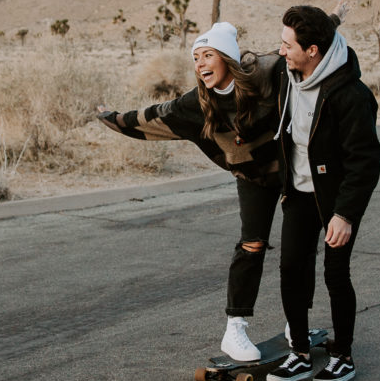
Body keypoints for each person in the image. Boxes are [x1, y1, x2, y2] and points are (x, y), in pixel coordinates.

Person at [97, 21, 286, 361]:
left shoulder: (268, 75)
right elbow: (151, 117)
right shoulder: (196, 104)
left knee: (300, 246)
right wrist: (111, 118)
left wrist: (331, 23)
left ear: (227, 58)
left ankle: (297, 320)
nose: (200, 64)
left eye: (208, 55)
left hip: (292, 170)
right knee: (252, 245)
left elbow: (305, 47)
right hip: (252, 177)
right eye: (196, 57)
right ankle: (235, 329)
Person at [266, 5, 380, 381]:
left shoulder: (350, 95)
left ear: (312, 50)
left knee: (336, 274)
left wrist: (345, 214)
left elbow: (365, 161)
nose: (281, 50)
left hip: (336, 199)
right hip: (299, 193)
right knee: (291, 270)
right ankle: (299, 353)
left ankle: (342, 355)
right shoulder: (288, 76)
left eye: (288, 45)